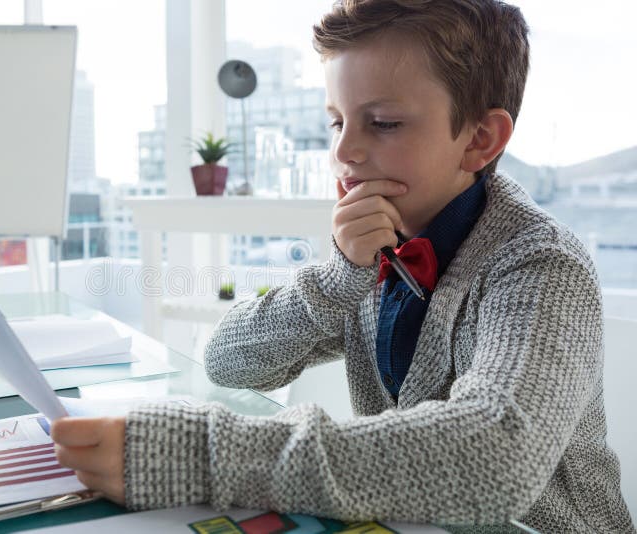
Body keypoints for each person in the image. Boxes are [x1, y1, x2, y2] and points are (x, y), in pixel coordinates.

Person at [51, 1, 635, 531]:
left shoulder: (542, 266)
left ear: (480, 139)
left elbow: (495, 458)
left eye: (382, 123)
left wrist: (197, 455)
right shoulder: (369, 251)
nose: (343, 151)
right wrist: (337, 280)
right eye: (337, 121)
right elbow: (228, 360)